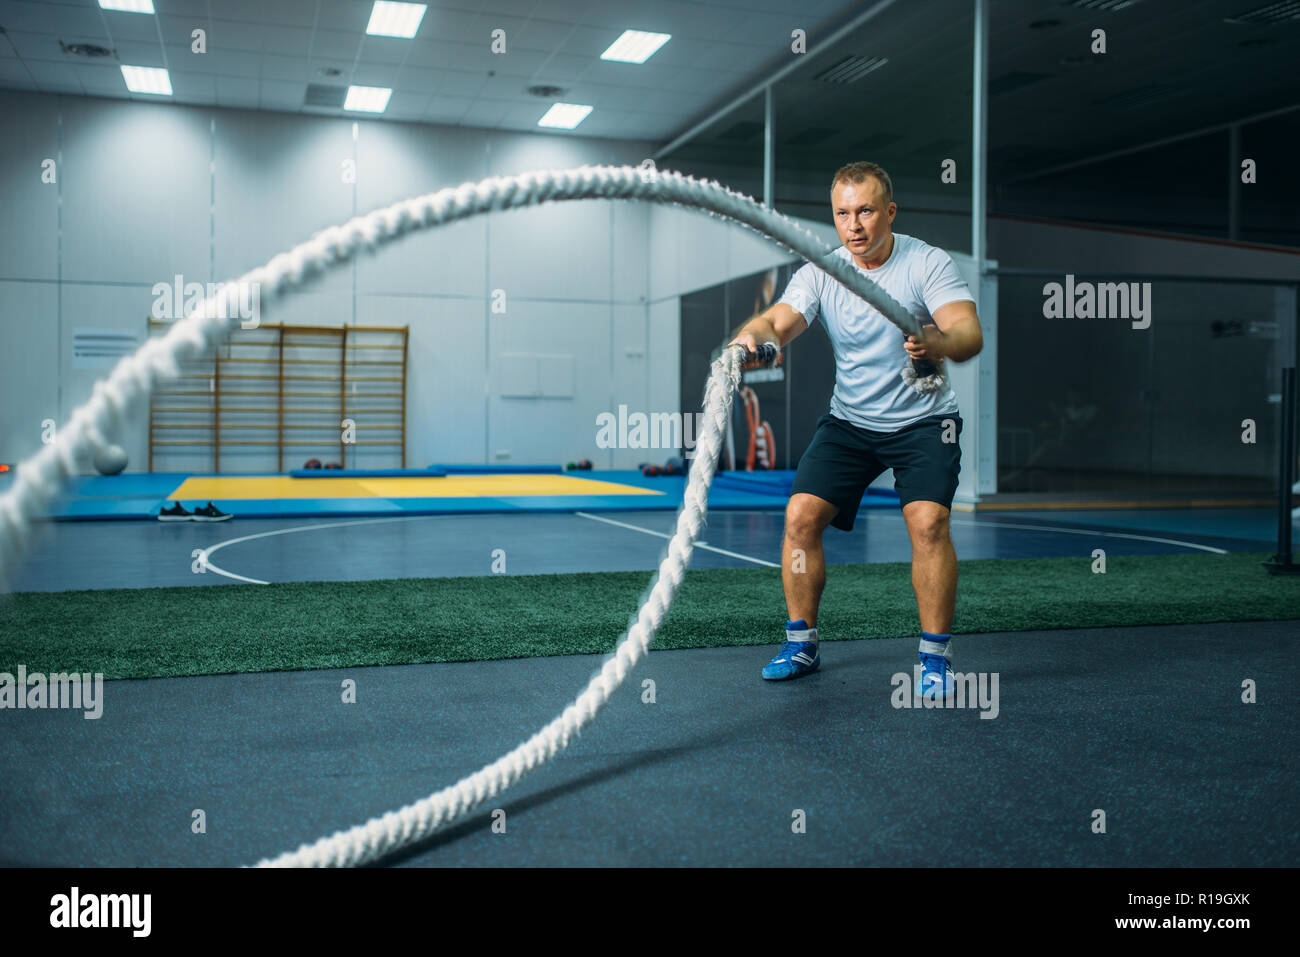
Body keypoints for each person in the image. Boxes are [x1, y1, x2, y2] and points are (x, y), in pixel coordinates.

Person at [729, 161, 983, 697]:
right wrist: (746, 340)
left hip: (924, 420)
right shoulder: (825, 270)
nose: (855, 225)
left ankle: (935, 658)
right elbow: (775, 322)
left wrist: (938, 342)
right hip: (851, 420)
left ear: (889, 211)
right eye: (843, 213)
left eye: (866, 210)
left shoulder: (925, 262)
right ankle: (802, 643)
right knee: (800, 516)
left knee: (928, 523)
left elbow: (968, 333)